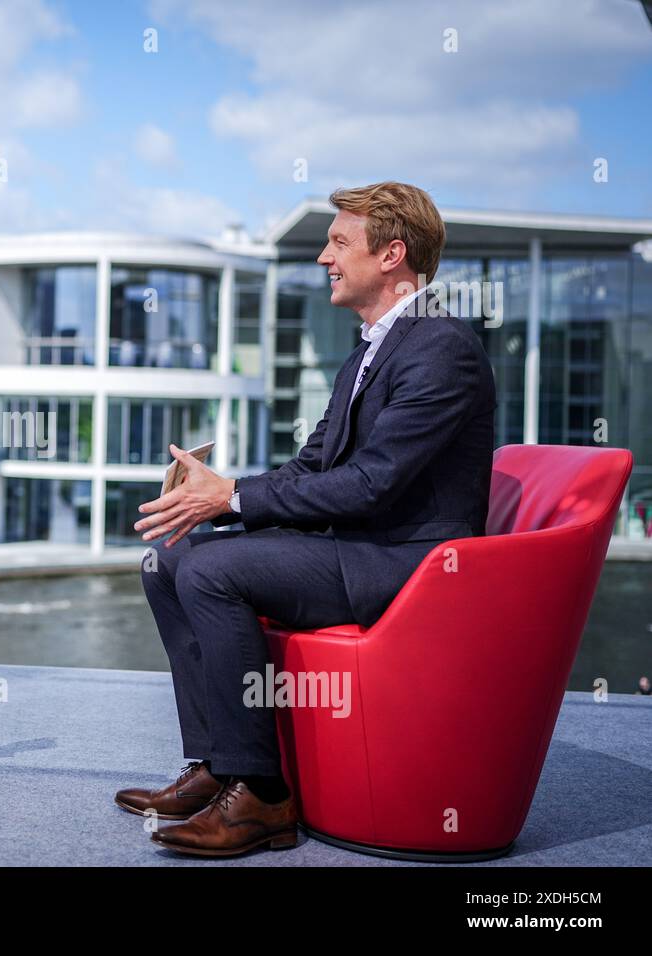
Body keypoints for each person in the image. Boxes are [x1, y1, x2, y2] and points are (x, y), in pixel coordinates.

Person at [119, 181, 496, 858]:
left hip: (405, 565)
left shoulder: (441, 348)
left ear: (392, 255)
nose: (324, 256)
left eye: (339, 242)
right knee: (169, 561)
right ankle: (216, 764)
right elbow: (314, 466)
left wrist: (232, 498)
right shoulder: (370, 350)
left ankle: (262, 796)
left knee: (208, 570)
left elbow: (372, 485)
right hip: (360, 547)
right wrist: (216, 497)